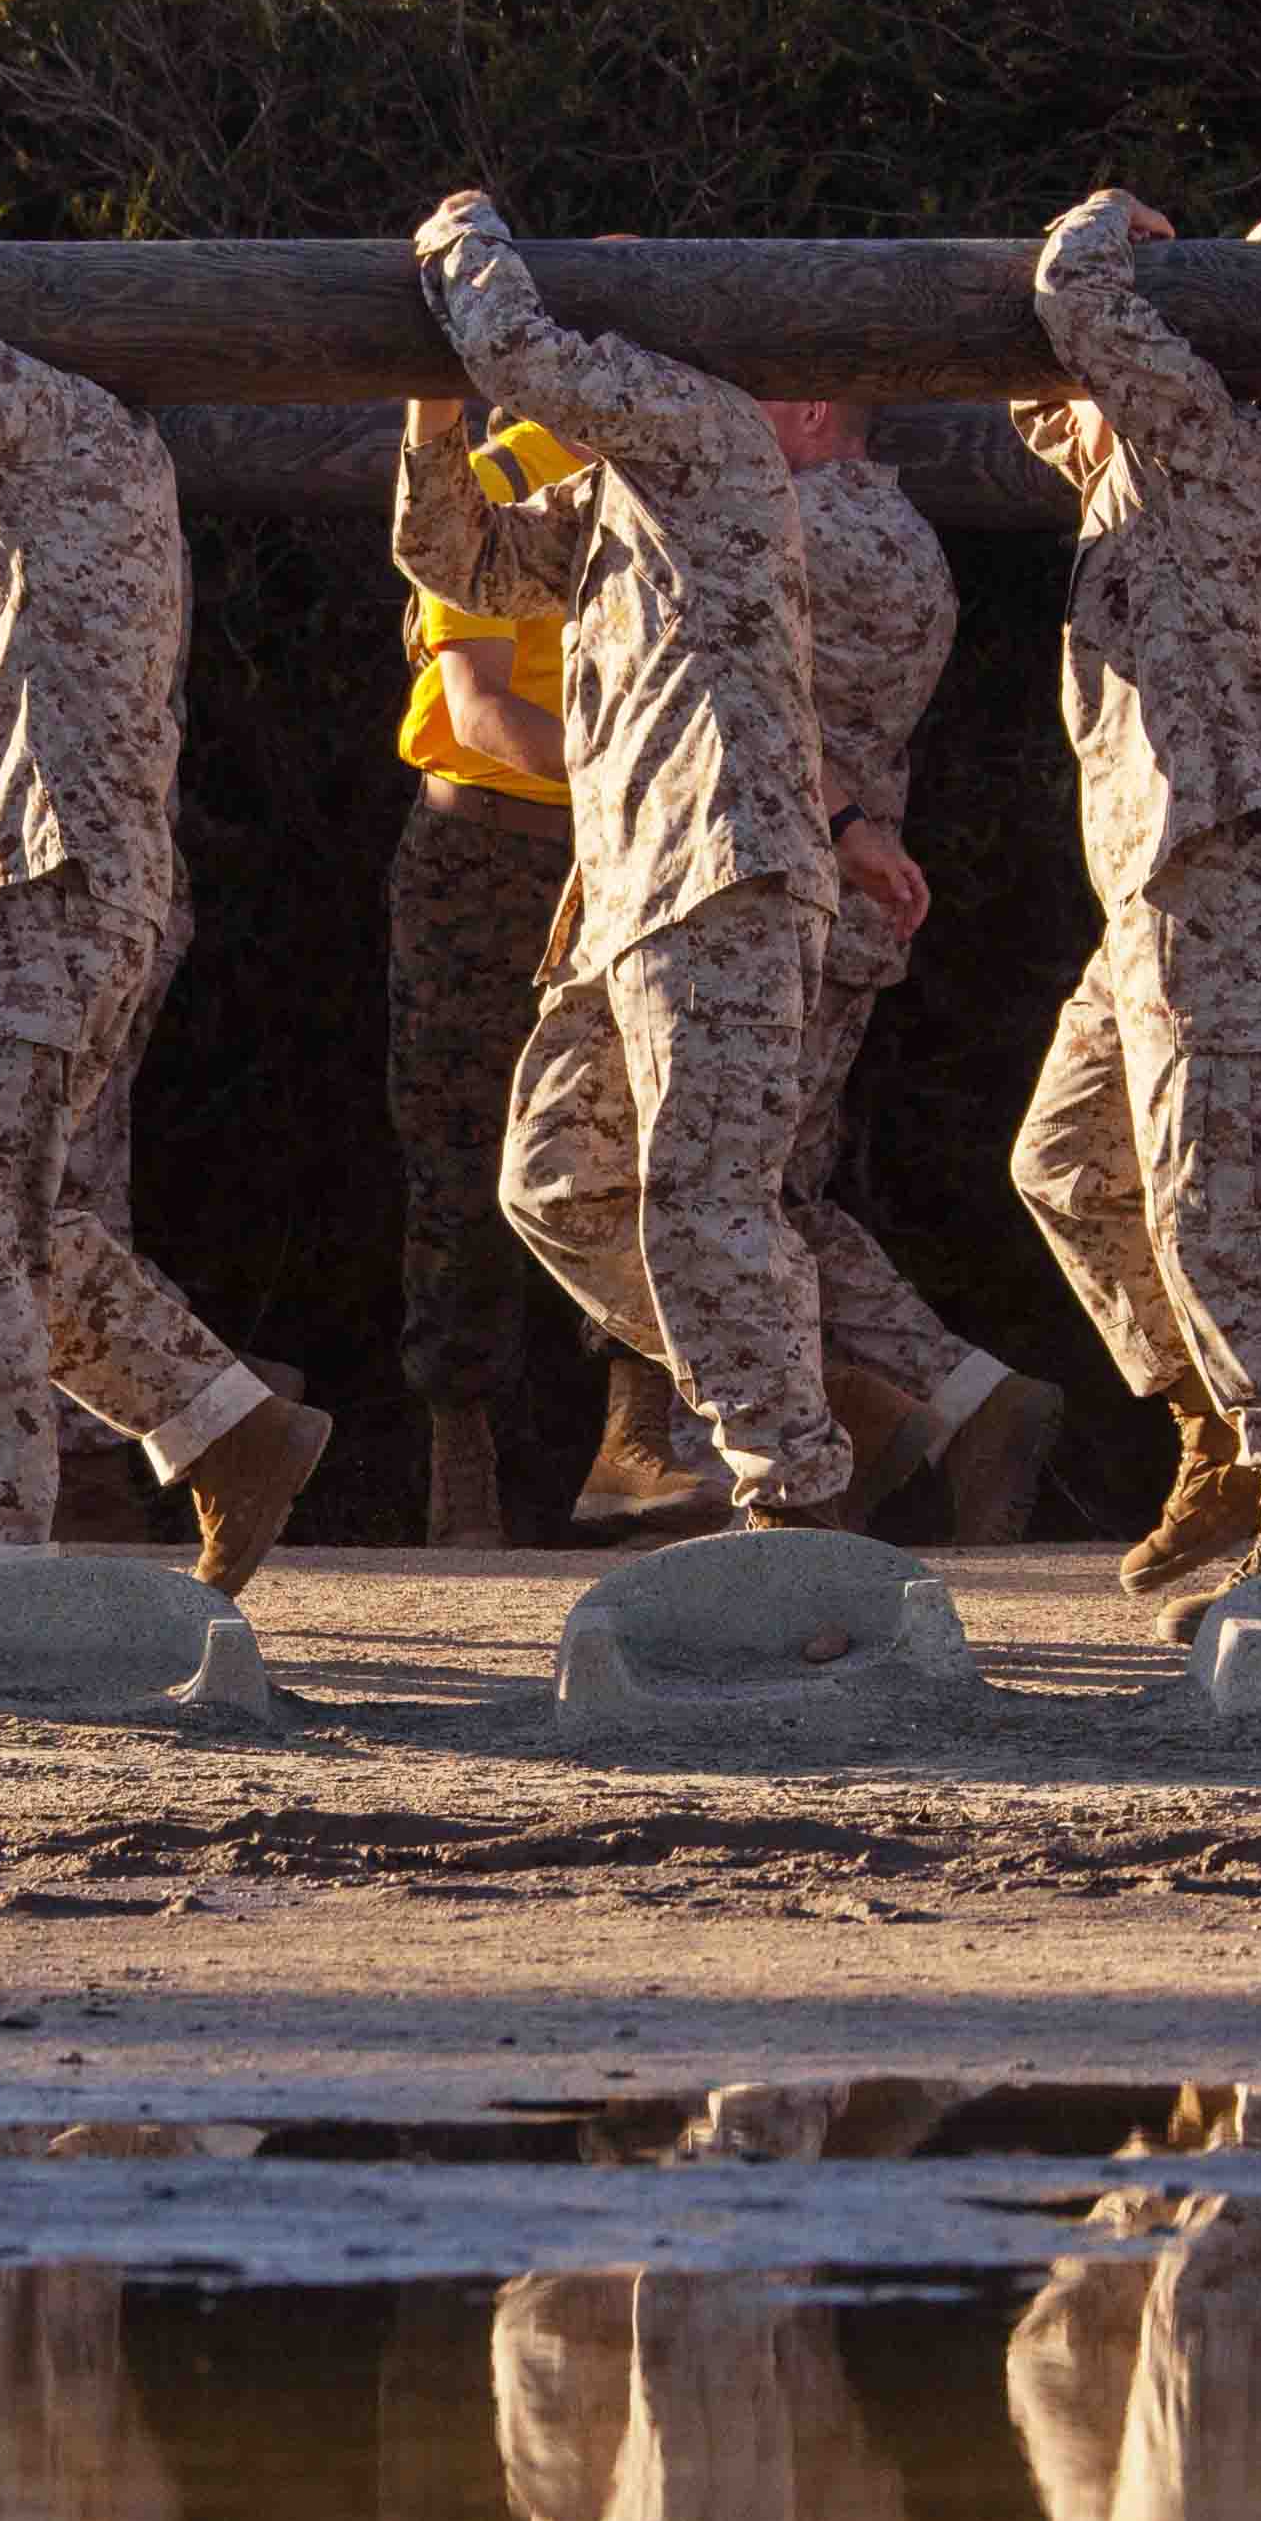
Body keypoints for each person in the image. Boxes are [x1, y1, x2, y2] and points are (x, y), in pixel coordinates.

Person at [0, 197, 333, 1653]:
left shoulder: (67, 430)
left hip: (34, 868)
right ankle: (221, 1422)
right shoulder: (19, 476)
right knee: (11, 1206)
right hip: (35, 868)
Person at [393, 191, 870, 1527]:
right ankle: (794, 1395)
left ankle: (793, 1498)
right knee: (553, 1177)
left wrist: (461, 235)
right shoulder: (617, 484)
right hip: (626, 888)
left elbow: (520, 350)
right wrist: (427, 405)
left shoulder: (697, 424)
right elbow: (454, 554)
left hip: (717, 859)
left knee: (704, 1197)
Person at [1005, 188, 1261, 1614]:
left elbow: (1073, 293)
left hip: (1213, 861)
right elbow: (1042, 393)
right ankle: (1216, 1426)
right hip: (1155, 873)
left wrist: (1109, 216)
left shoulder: (1213, 444)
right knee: (1068, 1163)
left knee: (1219, 1202)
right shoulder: (1141, 456)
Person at [775, 403, 1068, 1541]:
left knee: (728, 1200)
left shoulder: (799, 526)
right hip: (834, 910)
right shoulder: (898, 532)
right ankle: (960, 1401)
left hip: (779, 906)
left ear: (815, 411)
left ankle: (902, 1409)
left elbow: (743, 700)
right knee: (775, 1198)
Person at [382, 591, 627, 1544]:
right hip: (483, 857)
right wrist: (651, 759)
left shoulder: (653, 506)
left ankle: (642, 1437)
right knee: (461, 1155)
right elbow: (479, 708)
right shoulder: (489, 510)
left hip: (615, 851)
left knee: (627, 1147)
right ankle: (463, 1448)